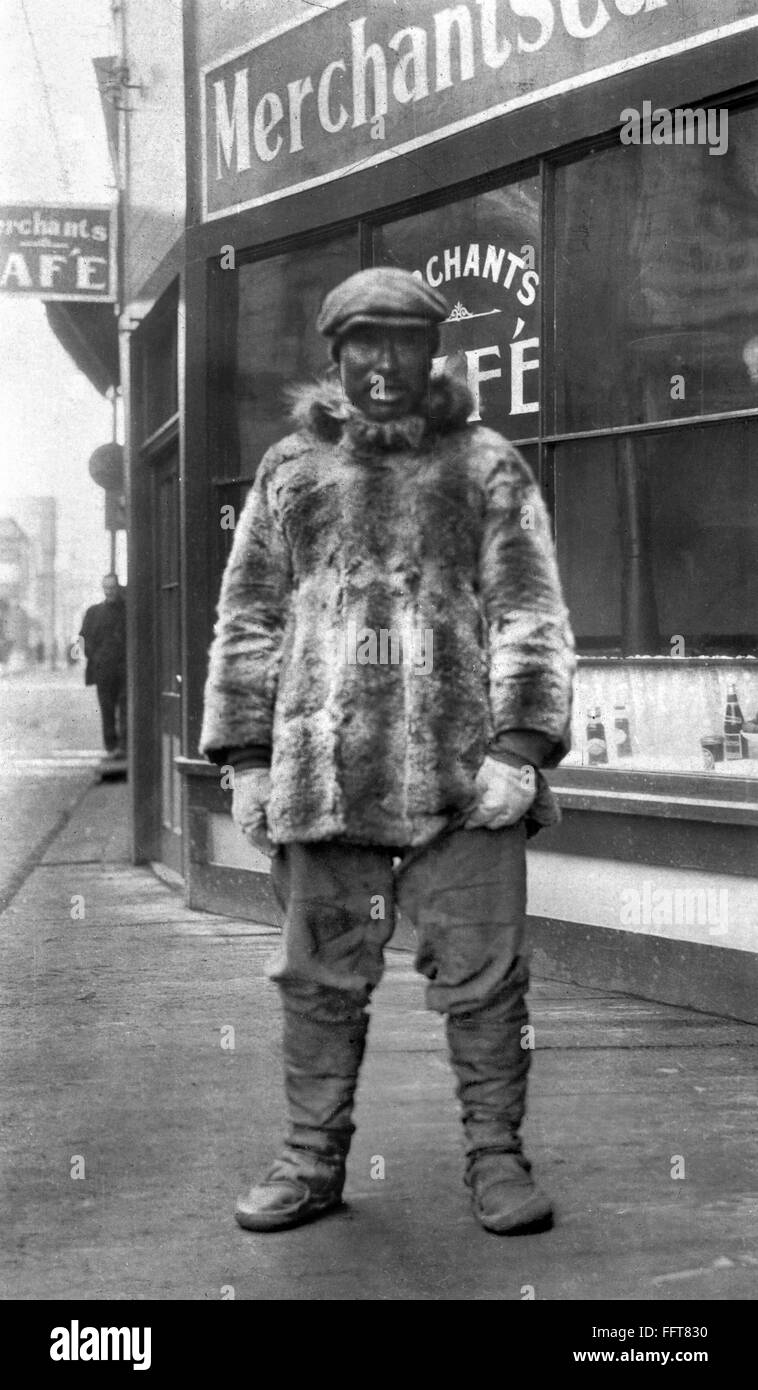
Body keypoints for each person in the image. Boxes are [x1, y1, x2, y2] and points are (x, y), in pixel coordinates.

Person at [200, 267, 575, 1236]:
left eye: (403, 339)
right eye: (362, 339)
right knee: (318, 977)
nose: (382, 358)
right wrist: (245, 759)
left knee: (488, 977)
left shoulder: (488, 466)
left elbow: (529, 614)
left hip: (466, 781)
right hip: (329, 780)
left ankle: (496, 1158)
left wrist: (520, 748)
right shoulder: (288, 471)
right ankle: (311, 1158)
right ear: (334, 354)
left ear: (428, 353)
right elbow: (247, 622)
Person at [80, 573, 127, 759]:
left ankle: (124, 747)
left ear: (118, 588)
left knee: (125, 707)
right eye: (106, 588)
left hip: (124, 669)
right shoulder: (93, 613)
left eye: (112, 588)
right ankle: (111, 747)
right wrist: (93, 656)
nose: (109, 592)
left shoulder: (127, 611)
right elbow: (82, 638)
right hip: (103, 670)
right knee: (107, 708)